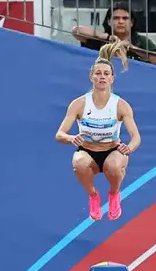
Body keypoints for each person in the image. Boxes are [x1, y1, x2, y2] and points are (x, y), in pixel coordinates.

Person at [55, 39, 142, 221]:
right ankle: (93, 196)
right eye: (98, 73)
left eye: (106, 74)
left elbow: (136, 137)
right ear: (91, 77)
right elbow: (59, 134)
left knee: (114, 165)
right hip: (88, 151)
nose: (102, 77)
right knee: (78, 163)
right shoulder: (79, 104)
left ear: (112, 78)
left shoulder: (120, 105)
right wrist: (71, 139)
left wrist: (130, 148)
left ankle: (114, 194)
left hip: (112, 151)